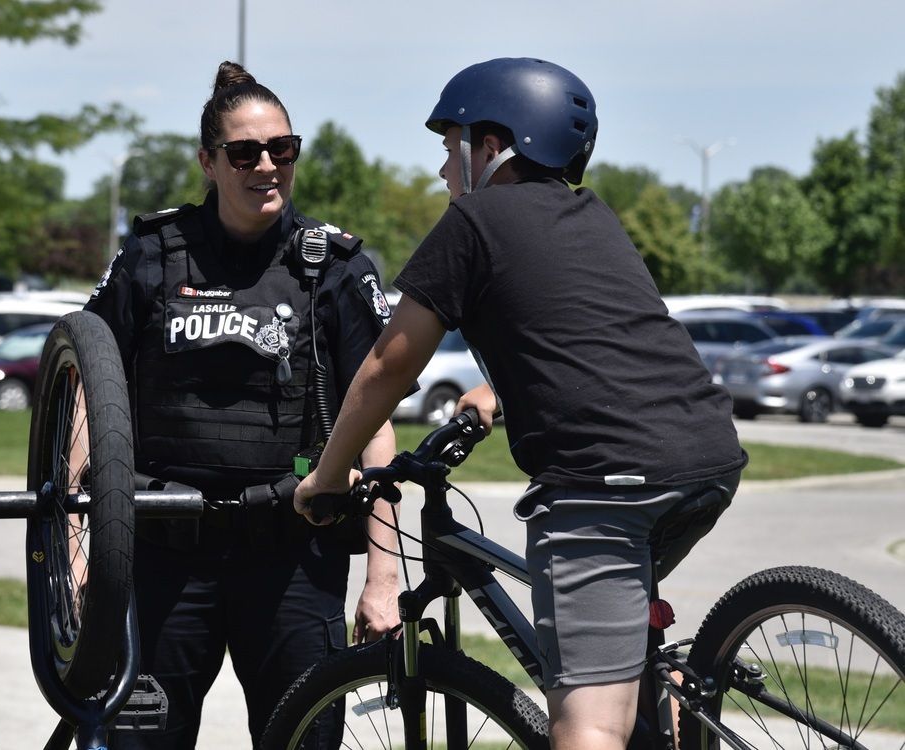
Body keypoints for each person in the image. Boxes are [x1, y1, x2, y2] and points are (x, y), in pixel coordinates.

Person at [293, 57, 747, 750]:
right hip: (708, 458)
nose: (444, 171)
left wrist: (327, 475)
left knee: (587, 724)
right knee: (631, 668)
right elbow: (584, 339)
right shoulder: (591, 215)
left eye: (451, 148)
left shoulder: (473, 222)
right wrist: (495, 393)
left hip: (603, 485)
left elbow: (387, 366)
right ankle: (671, 708)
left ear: (494, 145)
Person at [85, 61, 400, 748]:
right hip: (164, 553)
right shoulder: (150, 255)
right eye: (245, 152)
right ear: (208, 161)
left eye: (282, 149)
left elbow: (373, 421)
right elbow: (85, 389)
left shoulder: (335, 267)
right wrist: (85, 552)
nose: (267, 166)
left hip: (292, 553)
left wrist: (383, 576)